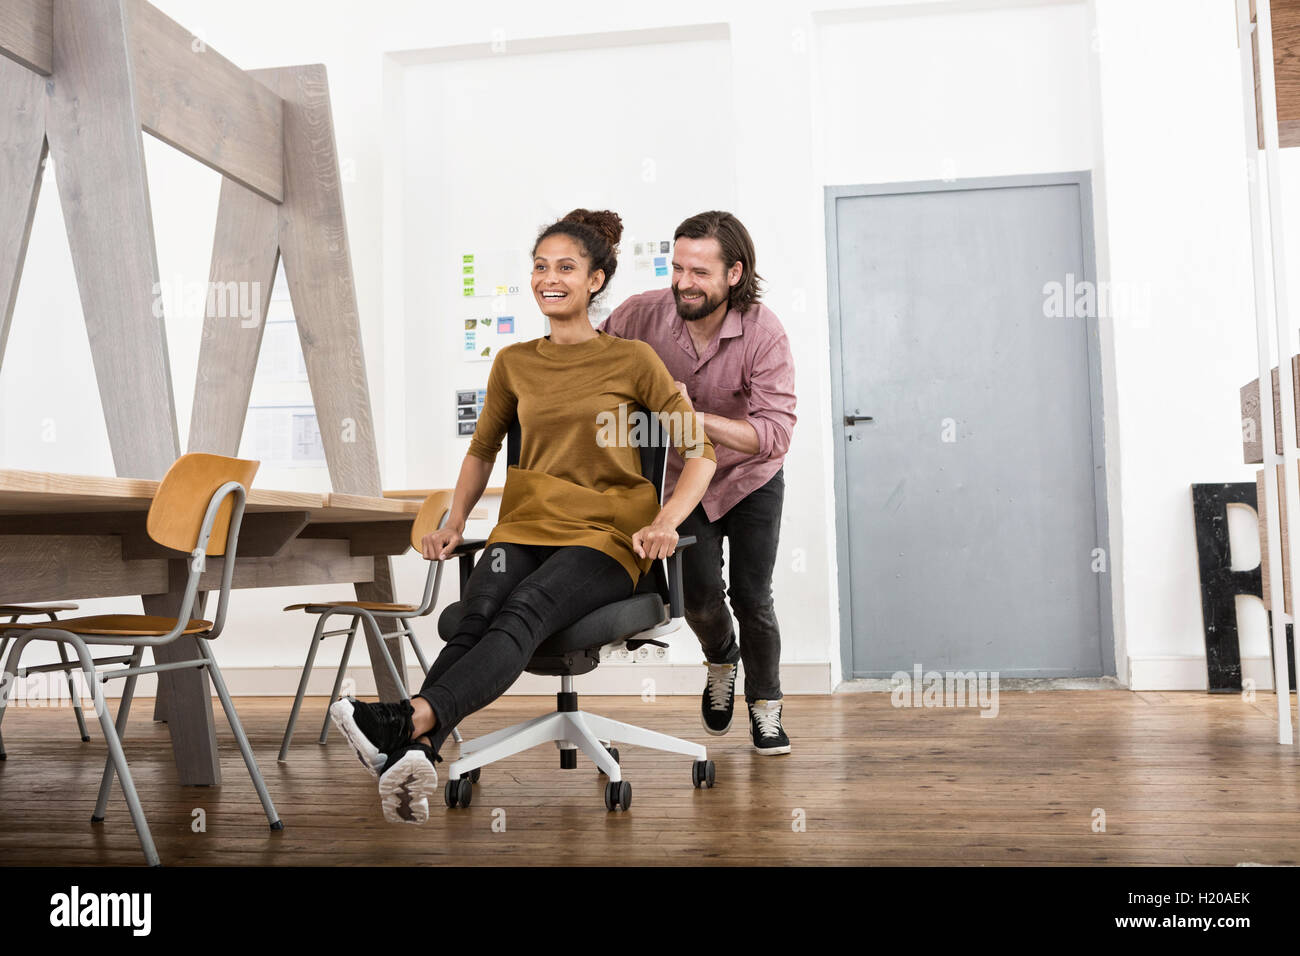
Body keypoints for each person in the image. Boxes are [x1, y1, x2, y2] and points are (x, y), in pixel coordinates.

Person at [330, 209, 716, 824]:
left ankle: (408, 720)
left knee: (525, 608)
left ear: (596, 280)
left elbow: (699, 450)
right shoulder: (514, 362)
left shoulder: (633, 360)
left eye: (565, 267)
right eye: (539, 267)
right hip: (523, 528)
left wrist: (667, 519)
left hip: (607, 537)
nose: (548, 278)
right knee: (475, 613)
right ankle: (420, 749)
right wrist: (455, 522)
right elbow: (482, 450)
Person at [599, 211, 796, 754]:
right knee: (700, 600)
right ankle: (721, 660)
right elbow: (590, 361)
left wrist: (689, 415)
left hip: (749, 478)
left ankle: (767, 707)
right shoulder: (640, 315)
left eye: (700, 272)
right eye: (677, 267)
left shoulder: (763, 331)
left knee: (753, 598)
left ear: (734, 274)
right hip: (681, 482)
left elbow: (775, 434)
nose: (684, 282)